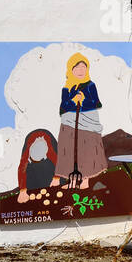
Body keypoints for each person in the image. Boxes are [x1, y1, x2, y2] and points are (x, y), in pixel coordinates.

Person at [54, 52, 109, 189]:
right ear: (71, 70)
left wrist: (83, 101)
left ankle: (86, 180)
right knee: (69, 149)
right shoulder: (66, 88)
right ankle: (71, 181)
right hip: (69, 125)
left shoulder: (90, 85)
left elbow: (97, 103)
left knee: (87, 150)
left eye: (84, 67)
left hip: (88, 125)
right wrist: (73, 100)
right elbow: (63, 107)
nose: (81, 70)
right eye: (77, 67)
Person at [16, 128, 57, 204]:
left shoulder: (50, 150)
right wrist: (22, 190)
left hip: (49, 165)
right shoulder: (27, 152)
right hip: (32, 167)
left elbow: (59, 163)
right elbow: (22, 169)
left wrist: (56, 178)